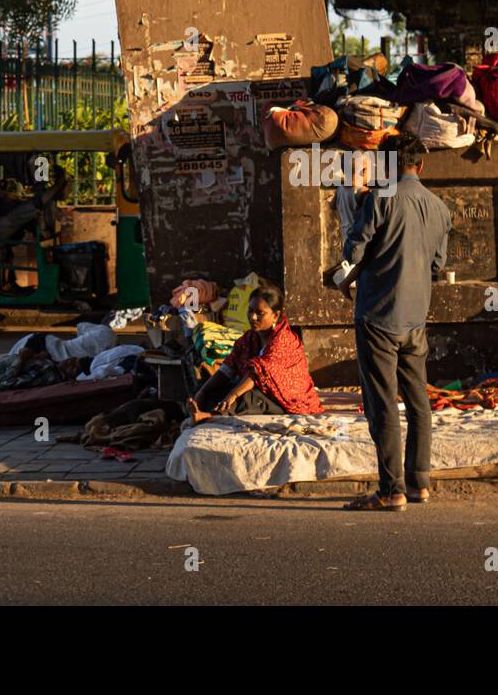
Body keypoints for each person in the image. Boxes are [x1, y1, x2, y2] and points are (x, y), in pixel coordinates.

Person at [339, 133, 451, 511]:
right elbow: (436, 266)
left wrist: (358, 210)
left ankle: (391, 490)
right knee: (419, 402)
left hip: (377, 316)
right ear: (421, 165)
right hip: (415, 319)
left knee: (383, 405)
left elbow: (352, 252)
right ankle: (419, 483)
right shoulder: (439, 207)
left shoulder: (378, 199)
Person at [187, 283, 322, 421]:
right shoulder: (249, 339)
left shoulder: (284, 341)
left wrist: (233, 395)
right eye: (250, 311)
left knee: (248, 397)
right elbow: (227, 369)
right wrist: (203, 392)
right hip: (258, 390)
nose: (253, 317)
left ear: (276, 315)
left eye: (260, 313)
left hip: (285, 400)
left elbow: (257, 374)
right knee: (213, 388)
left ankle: (210, 416)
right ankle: (202, 409)